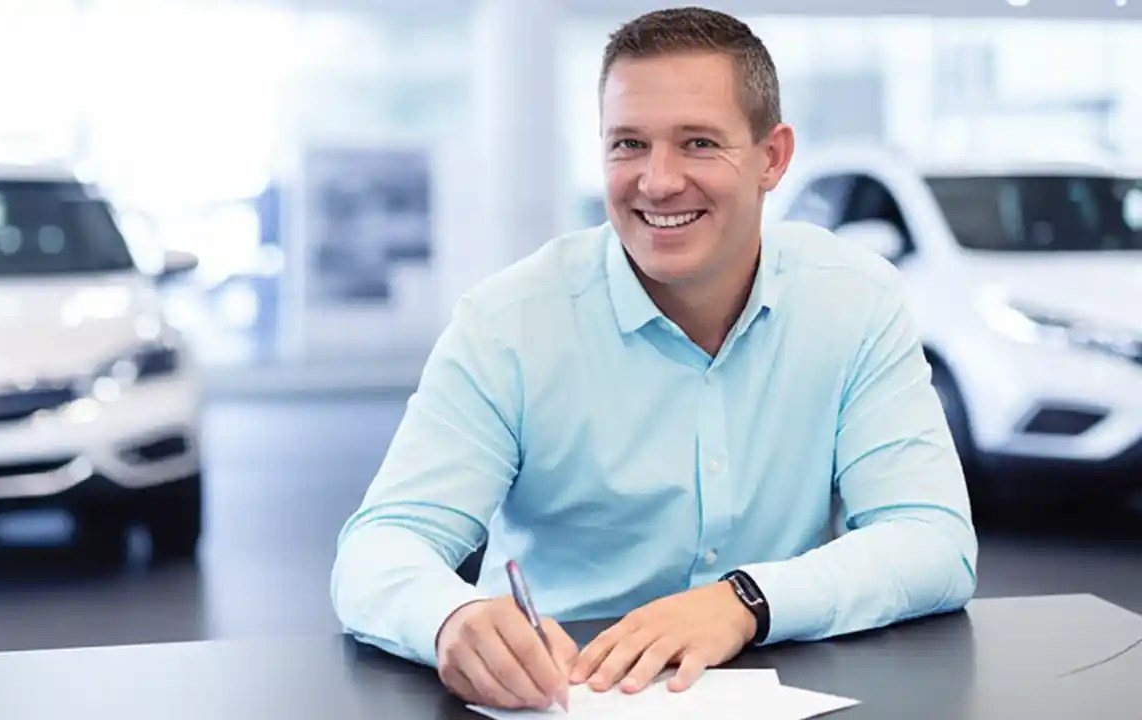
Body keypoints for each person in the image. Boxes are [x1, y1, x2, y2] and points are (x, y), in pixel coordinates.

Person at [331, 6, 978, 712]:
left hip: (776, 682)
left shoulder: (855, 300)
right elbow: (381, 545)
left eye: (698, 143)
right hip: (560, 694)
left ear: (773, 157)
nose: (658, 181)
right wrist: (448, 619)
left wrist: (746, 600)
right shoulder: (508, 323)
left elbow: (932, 541)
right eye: (629, 144)